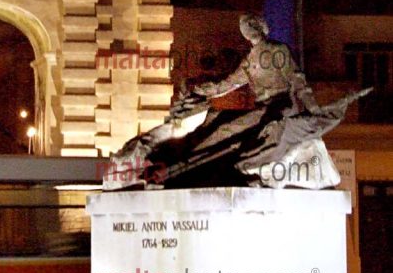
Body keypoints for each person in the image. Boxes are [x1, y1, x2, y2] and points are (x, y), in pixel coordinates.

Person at [105, 14, 368, 190]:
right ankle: (182, 169)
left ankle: (206, 168)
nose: (248, 32)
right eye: (245, 30)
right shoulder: (251, 59)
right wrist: (204, 91)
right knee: (220, 126)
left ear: (259, 28)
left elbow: (297, 80)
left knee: (239, 131)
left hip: (280, 107)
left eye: (250, 27)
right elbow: (228, 84)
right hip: (262, 107)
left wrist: (310, 108)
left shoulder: (277, 51)